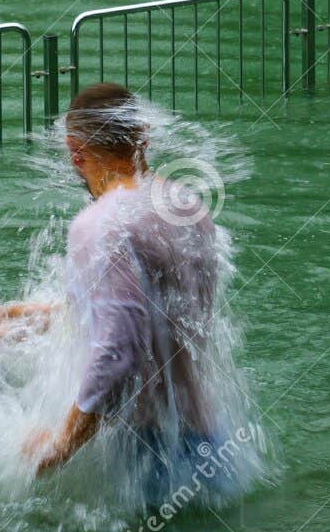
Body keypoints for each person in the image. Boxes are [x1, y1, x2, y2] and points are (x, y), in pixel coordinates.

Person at [24, 83, 233, 501]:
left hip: (147, 454)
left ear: (74, 150)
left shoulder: (100, 225)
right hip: (211, 443)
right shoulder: (189, 206)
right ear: (143, 135)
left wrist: (63, 443)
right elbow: (166, 316)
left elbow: (118, 349)